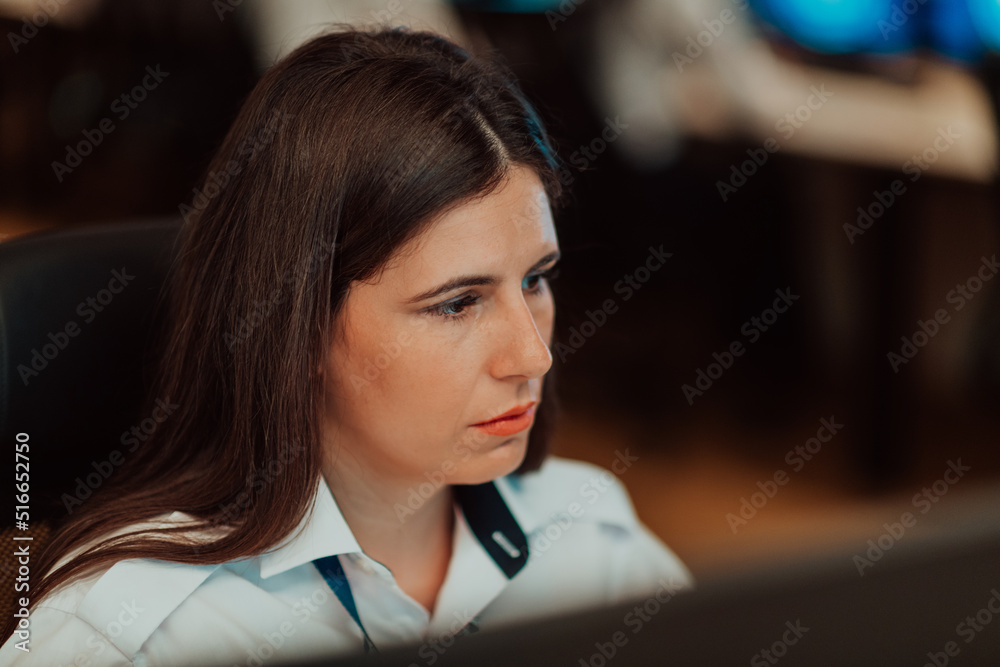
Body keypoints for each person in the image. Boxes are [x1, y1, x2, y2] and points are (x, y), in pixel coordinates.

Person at [0, 24, 693, 666]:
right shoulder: (136, 634)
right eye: (456, 303)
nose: (532, 356)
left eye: (536, 279)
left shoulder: (592, 536)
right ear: (294, 323)